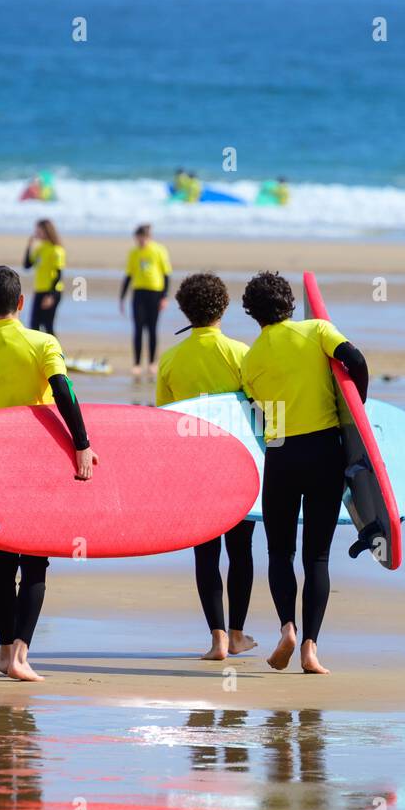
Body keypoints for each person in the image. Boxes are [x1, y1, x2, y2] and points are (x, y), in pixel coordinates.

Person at [0, 266, 99, 682]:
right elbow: (63, 390)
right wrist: (82, 444)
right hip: (39, 464)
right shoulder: (43, 342)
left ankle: (3, 652)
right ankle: (20, 655)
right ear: (20, 303)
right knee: (35, 561)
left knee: (1, 560)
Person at [240, 271, 369, 675]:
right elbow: (356, 360)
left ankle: (287, 628)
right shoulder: (316, 330)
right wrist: (356, 414)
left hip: (281, 456)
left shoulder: (250, 359)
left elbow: (262, 415)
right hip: (325, 452)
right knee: (317, 555)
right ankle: (311, 648)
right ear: (291, 304)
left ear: (251, 313)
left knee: (280, 551)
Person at [155, 272, 256, 661]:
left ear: (184, 310)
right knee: (241, 549)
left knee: (206, 552)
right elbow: (260, 410)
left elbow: (165, 420)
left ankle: (216, 639)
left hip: (194, 467)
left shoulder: (171, 359)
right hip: (239, 462)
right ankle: (237, 634)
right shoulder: (241, 354)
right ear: (224, 308)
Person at [118, 224, 171, 380]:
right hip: (139, 293)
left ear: (148, 237)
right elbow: (128, 275)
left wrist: (164, 297)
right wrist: (122, 297)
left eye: (142, 239)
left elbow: (166, 274)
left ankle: (152, 363)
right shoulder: (133, 252)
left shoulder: (159, 250)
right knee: (138, 329)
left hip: (155, 293)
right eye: (137, 239)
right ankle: (137, 364)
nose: (140, 242)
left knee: (152, 329)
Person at [23, 219, 66, 335]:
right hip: (39, 290)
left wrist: (51, 296)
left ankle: (56, 353)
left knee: (47, 325)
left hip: (52, 291)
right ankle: (40, 352)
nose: (36, 233)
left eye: (39, 230)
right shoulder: (40, 249)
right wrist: (29, 247)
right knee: (34, 325)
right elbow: (27, 265)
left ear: (47, 231)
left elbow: (58, 274)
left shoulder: (56, 250)